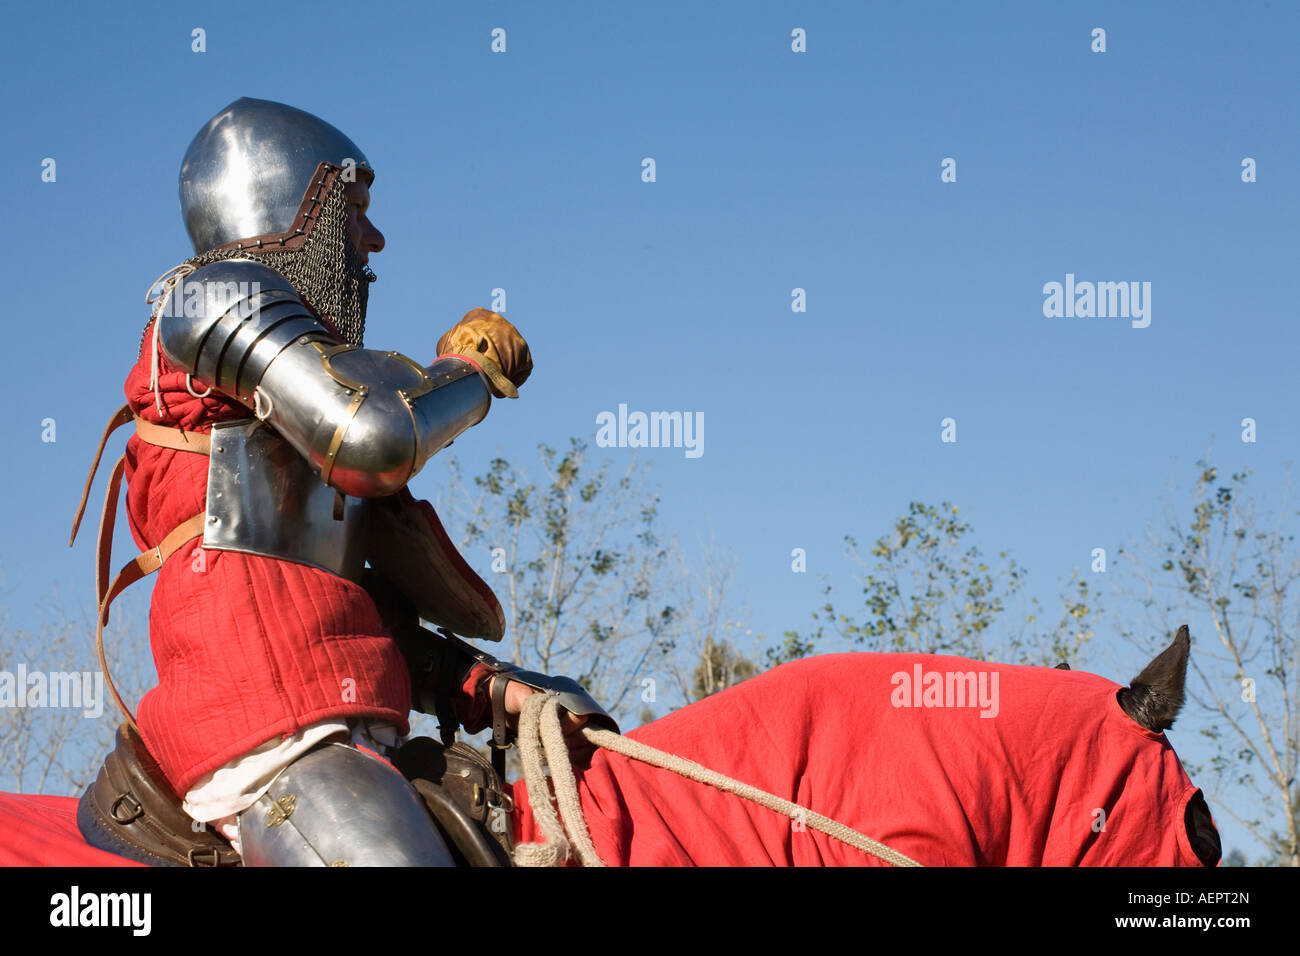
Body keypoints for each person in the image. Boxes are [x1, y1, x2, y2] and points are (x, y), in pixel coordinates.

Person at [72, 97, 610, 867]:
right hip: (272, 729)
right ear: (296, 208)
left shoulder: (283, 416)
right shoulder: (210, 296)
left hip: (345, 720)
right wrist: (469, 374)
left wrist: (492, 688)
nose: (374, 237)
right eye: (353, 209)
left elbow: (348, 618)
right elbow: (376, 437)